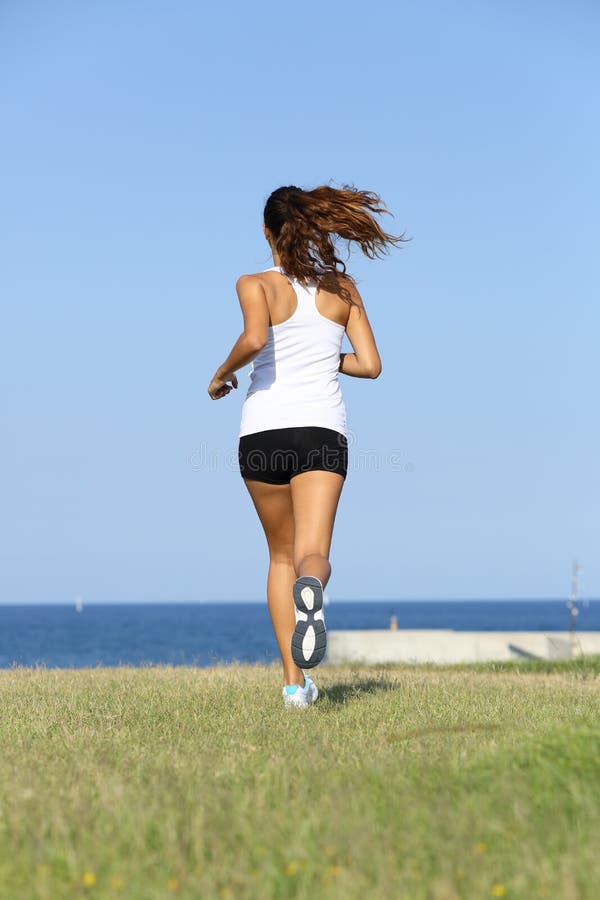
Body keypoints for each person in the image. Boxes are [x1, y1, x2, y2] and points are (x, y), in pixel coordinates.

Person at [207, 184, 406, 707]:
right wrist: (323, 356)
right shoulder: (343, 289)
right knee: (312, 554)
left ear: (267, 232)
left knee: (279, 556)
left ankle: (295, 686)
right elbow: (370, 365)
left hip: (263, 433)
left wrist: (221, 374)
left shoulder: (254, 284)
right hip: (320, 433)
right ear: (314, 228)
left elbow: (255, 340)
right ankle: (312, 592)